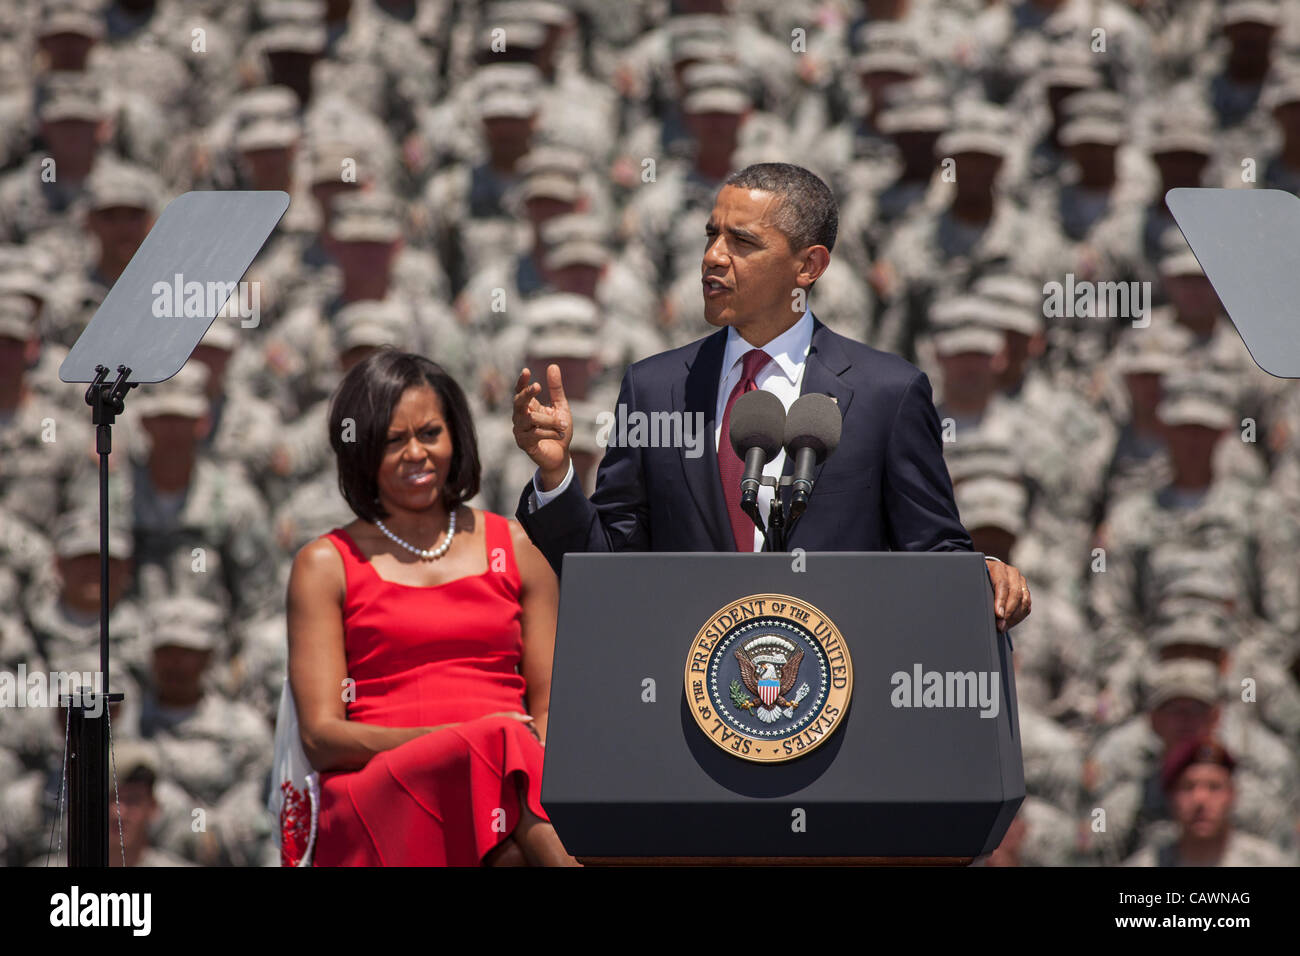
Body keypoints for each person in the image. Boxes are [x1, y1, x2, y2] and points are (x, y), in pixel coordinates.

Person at [512, 162, 1031, 632]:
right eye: (711, 235)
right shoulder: (654, 391)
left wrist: (980, 573)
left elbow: (933, 549)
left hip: (842, 704)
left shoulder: (886, 394)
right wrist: (557, 478)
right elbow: (610, 566)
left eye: (742, 241)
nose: (713, 257)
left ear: (809, 266)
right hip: (686, 704)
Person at [286, 349, 573, 866]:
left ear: (456, 438)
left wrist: (499, 758)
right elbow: (322, 737)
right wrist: (465, 741)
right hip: (381, 785)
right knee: (506, 755)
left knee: (512, 822)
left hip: (513, 782)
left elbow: (551, 706)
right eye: (393, 440)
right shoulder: (324, 564)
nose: (415, 453)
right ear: (361, 451)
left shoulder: (519, 547)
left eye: (430, 434)